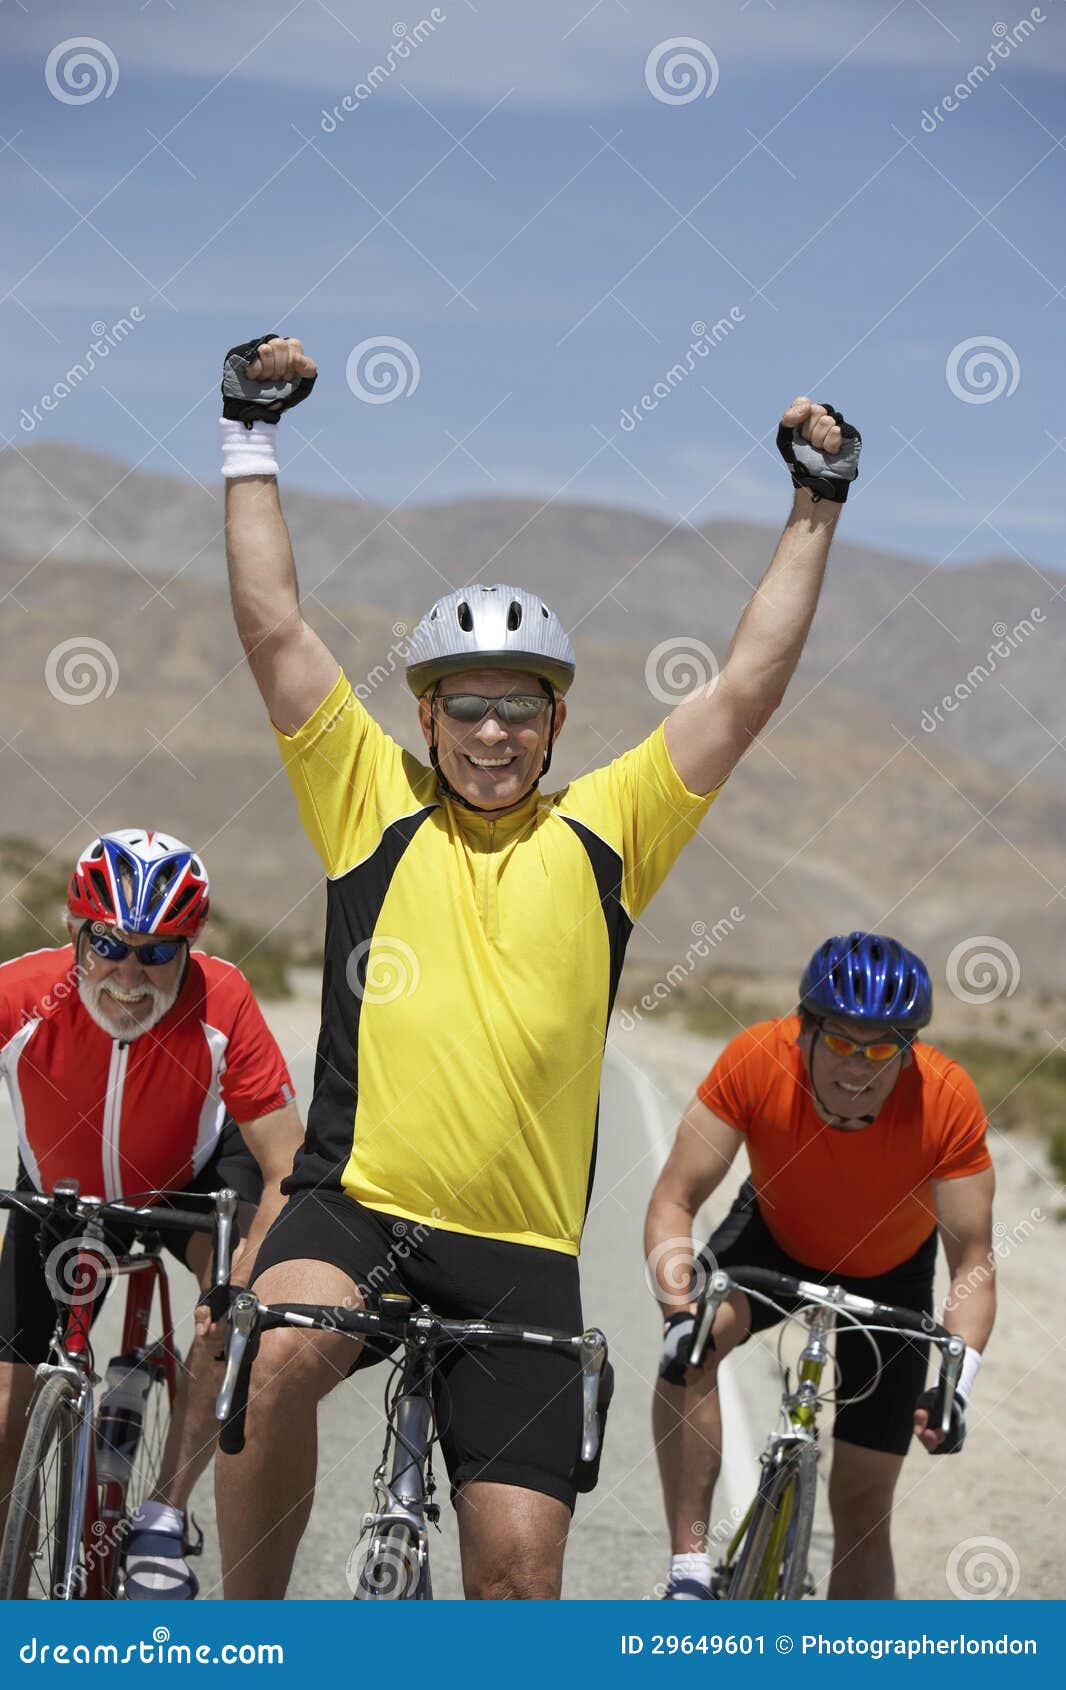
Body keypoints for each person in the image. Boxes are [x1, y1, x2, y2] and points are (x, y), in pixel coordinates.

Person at [215, 331, 858, 1599]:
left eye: (518, 706)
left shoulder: (606, 833)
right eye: (466, 705)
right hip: (359, 1206)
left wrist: (814, 504)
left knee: (518, 1590)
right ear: (427, 716)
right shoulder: (367, 803)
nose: (492, 730)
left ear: (557, 719)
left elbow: (743, 692)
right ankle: (254, 1635)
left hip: (518, 1242)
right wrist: (250, 435)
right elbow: (274, 626)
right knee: (279, 1348)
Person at [646, 931, 995, 1601]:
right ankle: (689, 1573)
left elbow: (973, 1261)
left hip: (893, 1268)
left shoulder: (947, 1100)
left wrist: (958, 1379)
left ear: (908, 1049)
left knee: (865, 1507)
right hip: (772, 1236)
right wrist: (676, 1314)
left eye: (881, 1048)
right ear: (802, 1030)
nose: (857, 1065)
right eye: (839, 1040)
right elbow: (673, 1200)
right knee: (689, 1353)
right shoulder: (756, 1059)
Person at [0, 830, 304, 1598]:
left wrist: (245, 1271)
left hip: (189, 1178)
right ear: (77, 934)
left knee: (229, 1316)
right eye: (110, 944)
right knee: (4, 1418)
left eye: (160, 953)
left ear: (189, 949)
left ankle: (164, 1513)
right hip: (59, 1191)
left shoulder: (222, 998)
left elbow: (287, 1167)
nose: (131, 975)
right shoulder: (21, 993)